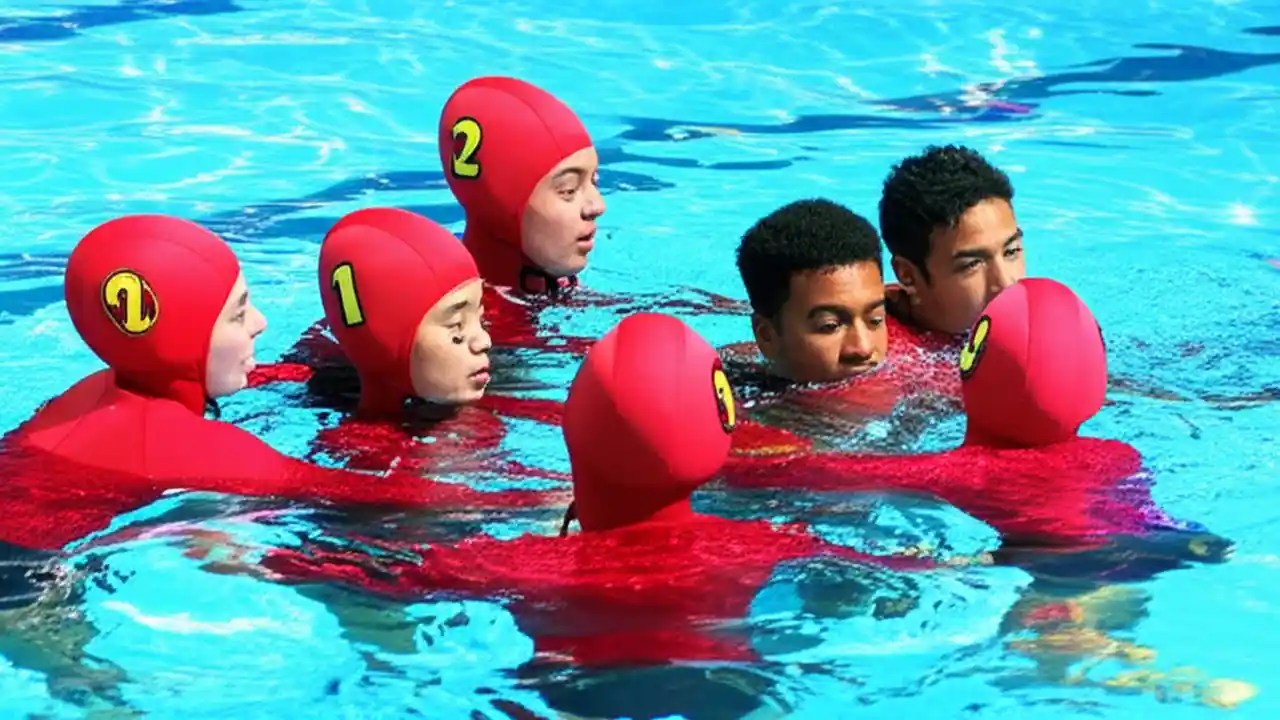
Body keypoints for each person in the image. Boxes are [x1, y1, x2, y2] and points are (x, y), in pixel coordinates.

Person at [257, 313, 937, 674]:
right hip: (729, 691)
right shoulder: (758, 542)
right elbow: (896, 564)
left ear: (577, 434)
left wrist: (265, 556)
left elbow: (374, 577)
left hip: (574, 695)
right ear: (722, 420)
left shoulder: (517, 561)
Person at [0, 214, 560, 553]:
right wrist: (537, 500)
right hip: (22, 579)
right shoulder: (205, 449)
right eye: (238, 314)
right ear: (181, 337)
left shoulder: (83, 395)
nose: (261, 323)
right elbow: (372, 496)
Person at [248, 207, 565, 478]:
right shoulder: (365, 461)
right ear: (385, 342)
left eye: (479, 320)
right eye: (457, 327)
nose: (483, 341)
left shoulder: (475, 402)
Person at [878, 144, 1026, 338]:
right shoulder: (874, 353)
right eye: (972, 264)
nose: (1006, 284)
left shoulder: (1049, 321)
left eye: (1011, 251)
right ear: (908, 275)